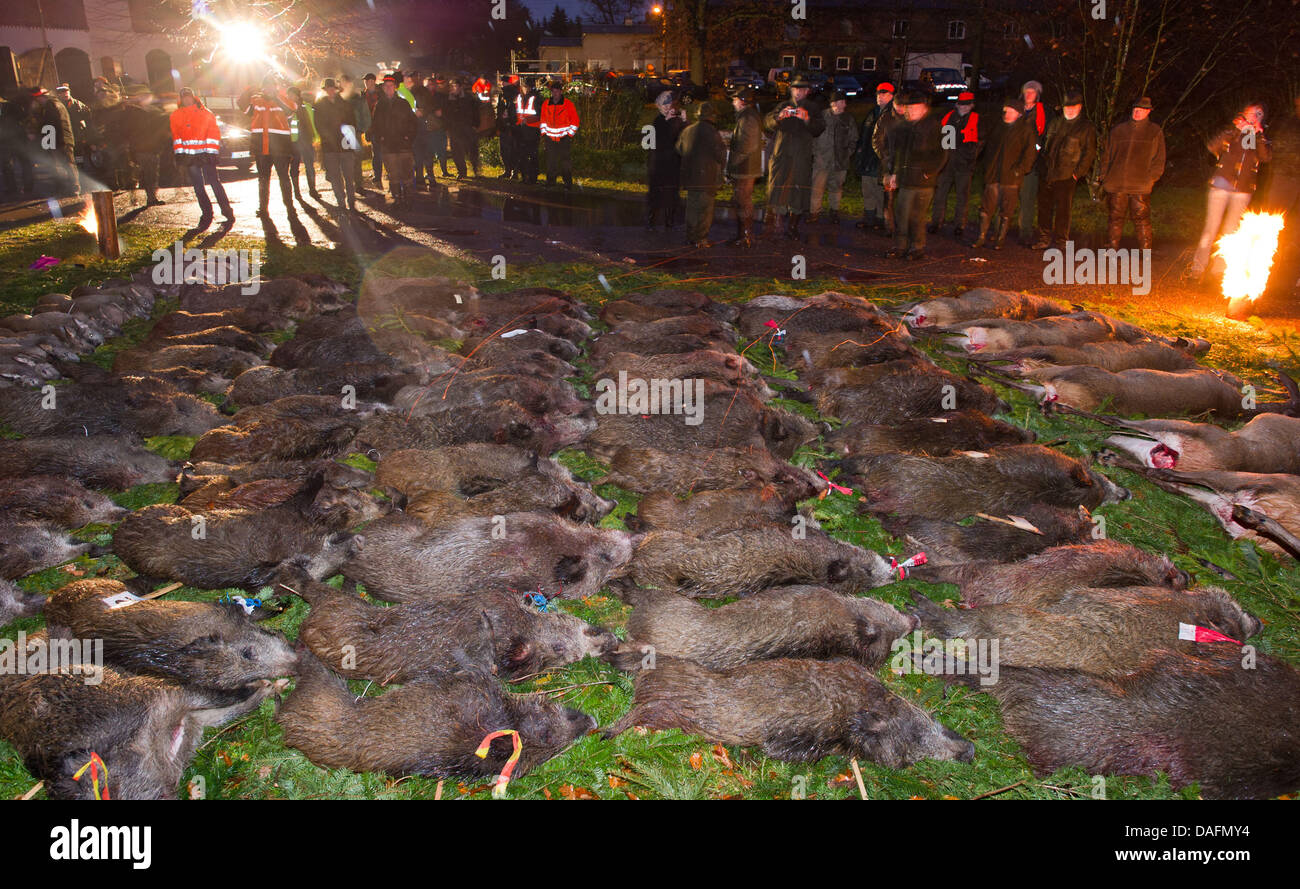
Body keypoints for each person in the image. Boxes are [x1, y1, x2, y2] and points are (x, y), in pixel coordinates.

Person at [1187, 104, 1271, 280]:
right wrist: (1235, 130)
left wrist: (1259, 134)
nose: (1254, 117)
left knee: (1230, 231)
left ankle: (1219, 270)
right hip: (1221, 185)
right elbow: (1212, 146)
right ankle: (1197, 268)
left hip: (1243, 190)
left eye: (1258, 114)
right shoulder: (1233, 131)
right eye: (1251, 113)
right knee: (1211, 228)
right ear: (1244, 114)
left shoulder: (1260, 136)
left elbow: (1265, 157)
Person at [882, 91, 947, 259]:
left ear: (924, 109)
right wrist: (894, 173)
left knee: (917, 216)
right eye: (908, 108)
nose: (911, 111)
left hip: (924, 181)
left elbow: (943, 153)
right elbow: (897, 153)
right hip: (906, 179)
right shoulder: (902, 127)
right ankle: (899, 246)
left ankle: (917, 247)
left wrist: (929, 172)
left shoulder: (934, 126)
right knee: (902, 214)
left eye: (914, 108)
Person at [1099, 96, 1166, 250]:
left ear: (1148, 112)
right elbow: (1106, 155)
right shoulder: (1118, 130)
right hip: (1117, 183)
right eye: (1136, 109)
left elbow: (1160, 158)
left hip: (1140, 184)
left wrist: (1152, 178)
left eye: (1141, 110)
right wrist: (1104, 176)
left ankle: (1146, 250)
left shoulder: (1154, 131)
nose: (1137, 112)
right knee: (1115, 217)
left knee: (1141, 218)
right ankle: (1111, 247)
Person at [1032, 89, 1096, 250]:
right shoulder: (1055, 122)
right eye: (1068, 107)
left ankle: (1061, 241)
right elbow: (1045, 143)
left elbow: (1089, 153)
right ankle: (1043, 238)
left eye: (1074, 106)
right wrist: (1041, 164)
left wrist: (1076, 174)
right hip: (1047, 172)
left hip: (1067, 175)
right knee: (1044, 208)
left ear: (1080, 107)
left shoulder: (1085, 127)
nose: (1070, 109)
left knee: (1063, 211)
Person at [970, 97, 1037, 249]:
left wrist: (1020, 170)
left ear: (1019, 114)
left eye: (1011, 111)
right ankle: (981, 236)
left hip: (1011, 177)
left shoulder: (1025, 129)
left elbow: (1030, 153)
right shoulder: (998, 126)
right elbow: (988, 148)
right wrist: (986, 167)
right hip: (993, 174)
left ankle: (1000, 239)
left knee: (1006, 209)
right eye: (1006, 110)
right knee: (986, 207)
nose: (1007, 114)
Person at [764, 76, 824, 240]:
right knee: (778, 188)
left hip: (801, 157)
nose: (798, 92)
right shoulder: (783, 105)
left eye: (802, 89)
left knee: (798, 191)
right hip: (781, 156)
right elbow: (767, 122)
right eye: (795, 89)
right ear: (791, 90)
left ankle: (793, 226)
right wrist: (778, 118)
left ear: (807, 91)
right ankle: (776, 222)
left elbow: (819, 128)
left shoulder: (812, 108)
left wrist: (807, 119)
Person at [170, 86, 233, 227]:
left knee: (214, 183)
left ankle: (227, 211)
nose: (187, 99)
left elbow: (214, 134)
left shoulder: (206, 113)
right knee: (199, 187)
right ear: (181, 99)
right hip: (190, 157)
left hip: (205, 155)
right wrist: (179, 154)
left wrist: (211, 153)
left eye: (188, 96)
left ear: (193, 97)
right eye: (184, 97)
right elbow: (176, 137)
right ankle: (207, 214)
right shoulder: (176, 115)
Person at [239, 75, 298, 218]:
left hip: (280, 148)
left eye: (272, 86)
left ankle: (290, 207)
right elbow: (242, 104)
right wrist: (249, 89)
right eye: (266, 86)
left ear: (276, 87)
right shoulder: (256, 100)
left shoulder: (282, 100)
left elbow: (292, 109)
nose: (269, 88)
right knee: (263, 179)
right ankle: (263, 209)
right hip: (261, 147)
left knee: (284, 177)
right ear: (263, 87)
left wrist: (275, 98)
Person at [676, 101, 727, 248]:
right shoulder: (712, 133)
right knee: (705, 209)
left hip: (691, 177)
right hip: (708, 178)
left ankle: (690, 237)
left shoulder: (688, 130)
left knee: (692, 208)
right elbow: (721, 155)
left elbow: (679, 148)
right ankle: (701, 239)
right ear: (711, 116)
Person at [929, 90, 980, 237]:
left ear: (972, 106)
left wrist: (970, 159)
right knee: (940, 194)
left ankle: (960, 225)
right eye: (961, 104)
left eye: (967, 105)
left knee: (962, 196)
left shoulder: (976, 119)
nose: (963, 107)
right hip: (946, 164)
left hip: (964, 165)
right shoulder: (948, 117)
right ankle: (936, 222)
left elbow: (979, 144)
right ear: (957, 105)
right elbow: (942, 140)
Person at [1265, 96, 1300, 298]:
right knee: (1273, 226)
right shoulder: (1288, 124)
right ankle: (1267, 279)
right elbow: (1274, 150)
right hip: (1284, 179)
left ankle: (1288, 281)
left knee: (1295, 234)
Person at [313, 77, 359, 215]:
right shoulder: (320, 106)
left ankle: (351, 202)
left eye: (332, 88)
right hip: (330, 148)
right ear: (325, 90)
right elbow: (319, 126)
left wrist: (349, 140)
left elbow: (352, 123)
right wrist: (327, 139)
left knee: (349, 177)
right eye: (328, 88)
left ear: (336, 89)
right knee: (335, 177)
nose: (330, 90)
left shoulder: (345, 104)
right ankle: (341, 202)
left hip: (345, 147)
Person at [810, 90, 856, 224]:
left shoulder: (848, 119)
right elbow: (812, 136)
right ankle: (814, 213)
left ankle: (834, 212)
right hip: (821, 161)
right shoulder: (821, 117)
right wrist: (815, 154)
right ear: (833, 104)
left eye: (844, 102)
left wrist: (847, 153)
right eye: (840, 102)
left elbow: (853, 139)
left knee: (836, 188)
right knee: (817, 189)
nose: (844, 105)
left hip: (840, 162)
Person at [371, 73, 417, 207]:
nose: (389, 88)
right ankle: (397, 198)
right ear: (384, 88)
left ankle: (408, 197)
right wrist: (381, 138)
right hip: (388, 146)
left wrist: (409, 137)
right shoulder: (380, 106)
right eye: (386, 86)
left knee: (407, 172)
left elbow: (413, 122)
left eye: (391, 86)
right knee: (393, 173)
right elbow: (376, 124)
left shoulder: (403, 103)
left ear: (395, 87)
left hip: (404, 145)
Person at [854, 81, 894, 231]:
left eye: (884, 93)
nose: (880, 96)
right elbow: (864, 135)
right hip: (867, 158)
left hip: (880, 159)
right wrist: (860, 153)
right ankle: (869, 217)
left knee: (879, 191)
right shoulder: (872, 113)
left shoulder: (892, 115)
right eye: (878, 93)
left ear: (891, 96)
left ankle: (880, 219)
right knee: (868, 189)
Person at [725, 86, 762, 247]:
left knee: (743, 200)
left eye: (735, 99)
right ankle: (744, 235)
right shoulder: (746, 116)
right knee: (741, 201)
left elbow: (747, 145)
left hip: (745, 169)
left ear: (742, 102)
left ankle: (745, 236)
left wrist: (731, 165)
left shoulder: (747, 118)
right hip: (745, 167)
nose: (733, 102)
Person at [646, 90, 686, 230]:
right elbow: (659, 141)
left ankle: (669, 221)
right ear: (659, 106)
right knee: (656, 195)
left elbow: (684, 137)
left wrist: (685, 121)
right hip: (658, 165)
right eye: (665, 105)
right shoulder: (658, 121)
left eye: (669, 104)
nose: (668, 107)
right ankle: (651, 222)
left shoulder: (676, 120)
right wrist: (669, 122)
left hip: (673, 165)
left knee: (672, 195)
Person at [1017, 79, 1048, 245]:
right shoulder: (1016, 109)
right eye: (1027, 91)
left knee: (1027, 198)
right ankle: (1001, 229)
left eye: (1032, 92)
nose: (1029, 94)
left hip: (1033, 162)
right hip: (1013, 159)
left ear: (1037, 95)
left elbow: (1045, 137)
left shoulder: (1044, 113)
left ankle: (1025, 232)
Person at [870, 87, 904, 236]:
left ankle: (902, 227)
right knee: (888, 198)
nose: (901, 108)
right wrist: (885, 156)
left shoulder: (910, 119)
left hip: (904, 166)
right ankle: (889, 227)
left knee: (904, 198)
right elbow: (876, 140)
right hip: (888, 164)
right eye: (898, 105)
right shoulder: (885, 118)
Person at [32, 88, 77, 196]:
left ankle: (72, 188)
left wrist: (47, 141)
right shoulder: (56, 104)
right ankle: (69, 188)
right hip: (62, 139)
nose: (38, 102)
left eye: (38, 99)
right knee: (66, 164)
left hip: (60, 140)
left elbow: (49, 125)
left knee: (66, 164)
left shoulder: (50, 106)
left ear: (42, 97)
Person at [539, 79, 579, 190]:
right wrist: (545, 134)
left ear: (561, 92)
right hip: (550, 138)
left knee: (565, 162)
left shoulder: (568, 104)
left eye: (557, 91)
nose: (555, 93)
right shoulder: (546, 104)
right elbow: (542, 120)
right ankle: (550, 182)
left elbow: (575, 121)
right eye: (553, 91)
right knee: (551, 162)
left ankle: (567, 183)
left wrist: (568, 135)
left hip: (563, 139)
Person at [54, 84, 90, 194]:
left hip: (77, 136)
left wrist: (84, 125)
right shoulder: (58, 106)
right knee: (69, 161)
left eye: (66, 91)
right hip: (67, 137)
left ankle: (83, 181)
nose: (64, 94)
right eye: (62, 92)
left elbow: (88, 115)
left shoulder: (78, 104)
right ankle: (73, 183)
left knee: (79, 160)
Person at [404, 70, 436, 190]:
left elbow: (431, 105)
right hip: (413, 127)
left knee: (427, 152)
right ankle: (419, 176)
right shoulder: (408, 92)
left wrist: (424, 111)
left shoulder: (424, 91)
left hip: (424, 125)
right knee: (417, 153)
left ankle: (430, 175)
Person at [287, 86, 320, 201]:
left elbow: (313, 122)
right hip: (293, 143)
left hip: (306, 141)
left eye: (291, 95)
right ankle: (297, 193)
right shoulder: (287, 108)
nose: (289, 97)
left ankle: (313, 190)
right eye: (289, 95)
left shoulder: (307, 107)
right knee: (294, 168)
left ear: (297, 95)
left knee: (309, 166)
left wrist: (315, 137)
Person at [0, 93, 34, 196]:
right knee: (7, 166)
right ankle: (12, 188)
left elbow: (26, 118)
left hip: (18, 140)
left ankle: (28, 187)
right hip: (5, 142)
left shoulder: (11, 106)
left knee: (24, 163)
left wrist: (30, 131)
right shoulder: (11, 106)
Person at [445, 78, 480, 179]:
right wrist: (448, 126)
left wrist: (475, 125)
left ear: (460, 87)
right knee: (456, 152)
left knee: (471, 150)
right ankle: (462, 172)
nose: (452, 88)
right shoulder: (448, 99)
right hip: (454, 129)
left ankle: (475, 169)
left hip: (467, 128)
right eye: (451, 86)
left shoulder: (469, 98)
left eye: (455, 86)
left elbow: (475, 112)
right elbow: (446, 114)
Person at [340, 75, 370, 188]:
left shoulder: (358, 99)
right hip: (342, 133)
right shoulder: (339, 99)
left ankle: (358, 184)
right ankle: (348, 184)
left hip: (355, 131)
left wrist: (362, 129)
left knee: (356, 159)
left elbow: (366, 116)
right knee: (345, 159)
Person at [514, 77, 541, 184]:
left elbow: (539, 115)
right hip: (521, 130)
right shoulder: (519, 97)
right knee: (522, 155)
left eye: (526, 87)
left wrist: (528, 120)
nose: (525, 89)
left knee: (532, 155)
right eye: (524, 87)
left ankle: (533, 178)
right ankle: (524, 176)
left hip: (532, 130)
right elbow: (516, 112)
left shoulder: (536, 98)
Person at [496, 75, 520, 180]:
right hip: (504, 125)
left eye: (503, 82)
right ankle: (508, 170)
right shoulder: (502, 94)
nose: (502, 83)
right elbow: (500, 108)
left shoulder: (514, 94)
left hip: (511, 126)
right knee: (505, 149)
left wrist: (509, 117)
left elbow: (515, 109)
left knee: (512, 149)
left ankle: (514, 171)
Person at [362, 72, 383, 189]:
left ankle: (387, 174)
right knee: (376, 153)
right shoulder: (363, 95)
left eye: (368, 81)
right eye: (365, 81)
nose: (366, 83)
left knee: (384, 152)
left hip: (382, 127)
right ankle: (378, 175)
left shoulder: (380, 94)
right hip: (372, 129)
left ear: (372, 82)